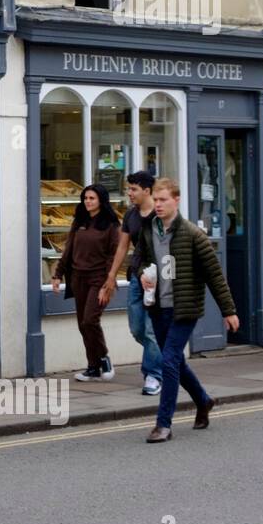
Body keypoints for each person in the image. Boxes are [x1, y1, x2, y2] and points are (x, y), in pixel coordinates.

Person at [137, 178, 238, 443]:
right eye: (156, 200)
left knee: (168, 360)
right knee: (176, 363)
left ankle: (163, 425)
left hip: (184, 309)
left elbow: (215, 275)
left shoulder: (193, 234)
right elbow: (138, 261)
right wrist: (141, 275)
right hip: (158, 307)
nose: (158, 205)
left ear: (176, 201)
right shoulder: (149, 230)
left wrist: (229, 311)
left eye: (163, 200)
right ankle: (203, 401)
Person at [98, 170, 162, 396]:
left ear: (147, 190)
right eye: (128, 189)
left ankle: (153, 374)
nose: (129, 193)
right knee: (137, 329)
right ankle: (162, 355)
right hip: (136, 276)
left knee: (150, 329)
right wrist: (111, 275)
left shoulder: (161, 213)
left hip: (158, 278)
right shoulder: (130, 215)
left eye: (133, 189)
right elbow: (123, 246)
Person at [51, 183, 121, 383]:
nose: (88, 202)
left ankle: (103, 358)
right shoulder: (79, 222)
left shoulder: (111, 225)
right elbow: (68, 250)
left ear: (101, 200)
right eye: (85, 198)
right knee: (83, 325)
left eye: (92, 198)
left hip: (99, 279)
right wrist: (58, 275)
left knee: (90, 320)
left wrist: (108, 282)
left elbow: (113, 256)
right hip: (78, 278)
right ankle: (93, 367)